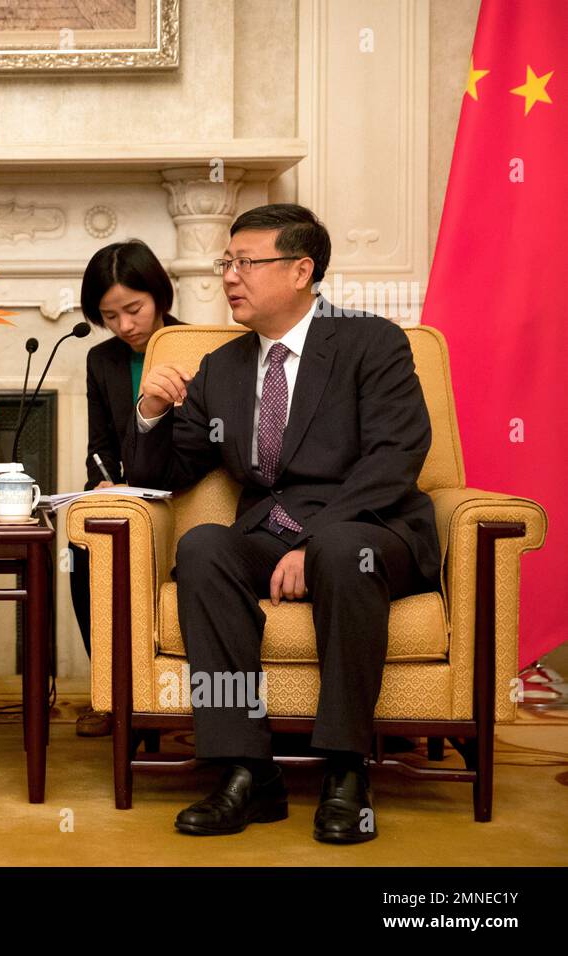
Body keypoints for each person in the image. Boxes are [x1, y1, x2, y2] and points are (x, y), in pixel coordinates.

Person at [123, 203, 439, 843]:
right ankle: (245, 769)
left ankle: (347, 770)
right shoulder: (225, 367)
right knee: (205, 547)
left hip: (370, 528)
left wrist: (316, 539)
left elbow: (395, 458)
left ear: (301, 270)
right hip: (273, 531)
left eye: (247, 263)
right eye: (226, 263)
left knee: (345, 551)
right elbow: (172, 473)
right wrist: (151, 412)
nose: (230, 277)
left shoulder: (371, 343)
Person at [69, 241, 180, 737]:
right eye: (110, 315)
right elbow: (99, 444)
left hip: (184, 493)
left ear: (158, 295)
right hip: (127, 496)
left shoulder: (200, 343)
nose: (125, 326)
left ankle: (166, 694)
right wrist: (102, 481)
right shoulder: (102, 360)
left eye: (133, 309)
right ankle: (111, 691)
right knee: (81, 550)